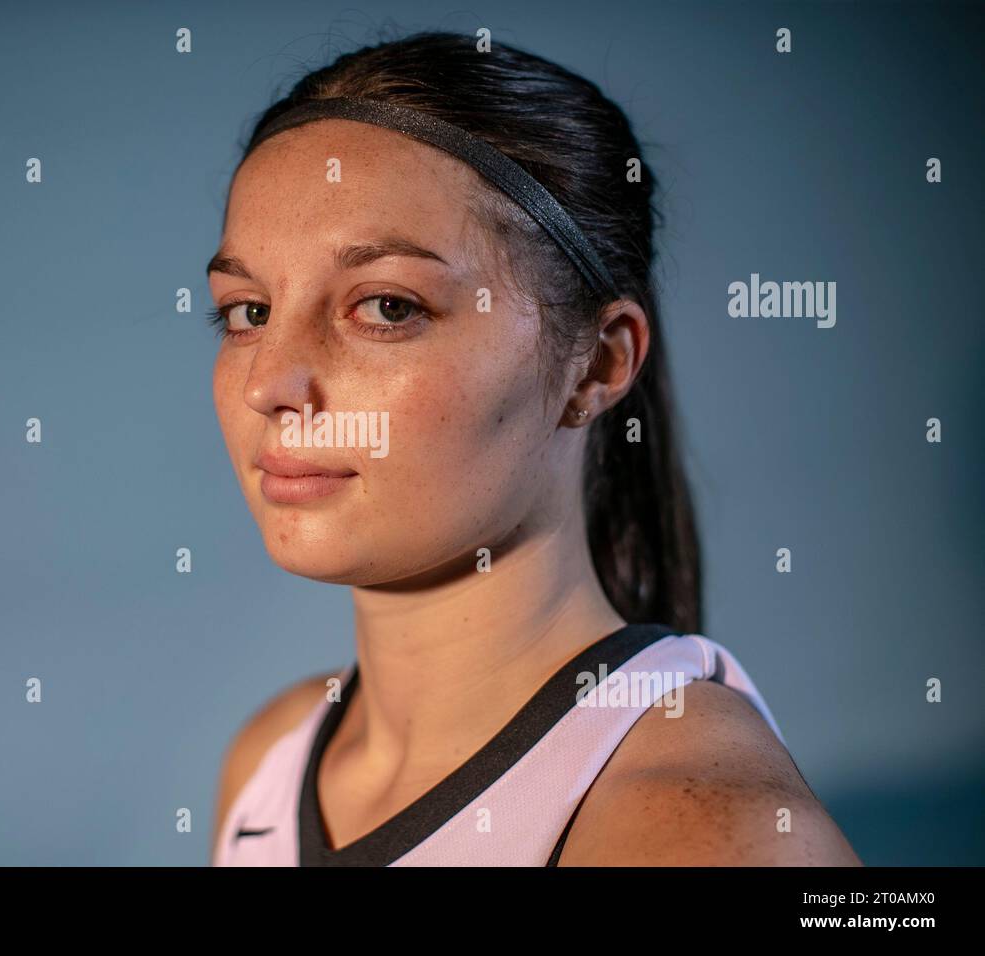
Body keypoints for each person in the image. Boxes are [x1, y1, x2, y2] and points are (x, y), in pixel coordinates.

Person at [205, 31, 860, 866]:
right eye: (248, 311)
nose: (271, 384)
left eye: (387, 307)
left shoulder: (706, 833)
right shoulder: (271, 758)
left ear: (598, 361)